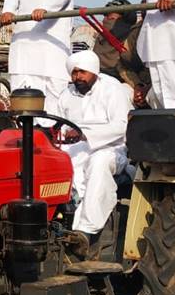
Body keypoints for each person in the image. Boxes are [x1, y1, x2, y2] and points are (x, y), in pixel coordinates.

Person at [51, 49, 131, 248]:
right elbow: (57, 124)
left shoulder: (113, 90)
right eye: (74, 73)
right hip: (74, 149)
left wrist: (85, 134)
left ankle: (85, 229)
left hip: (111, 149)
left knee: (98, 163)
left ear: (94, 71)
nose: (77, 77)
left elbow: (121, 127)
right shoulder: (66, 94)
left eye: (82, 72)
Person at [92, 0, 138, 80]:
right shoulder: (99, 39)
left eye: (111, 18)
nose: (104, 21)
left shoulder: (134, 40)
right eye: (105, 16)